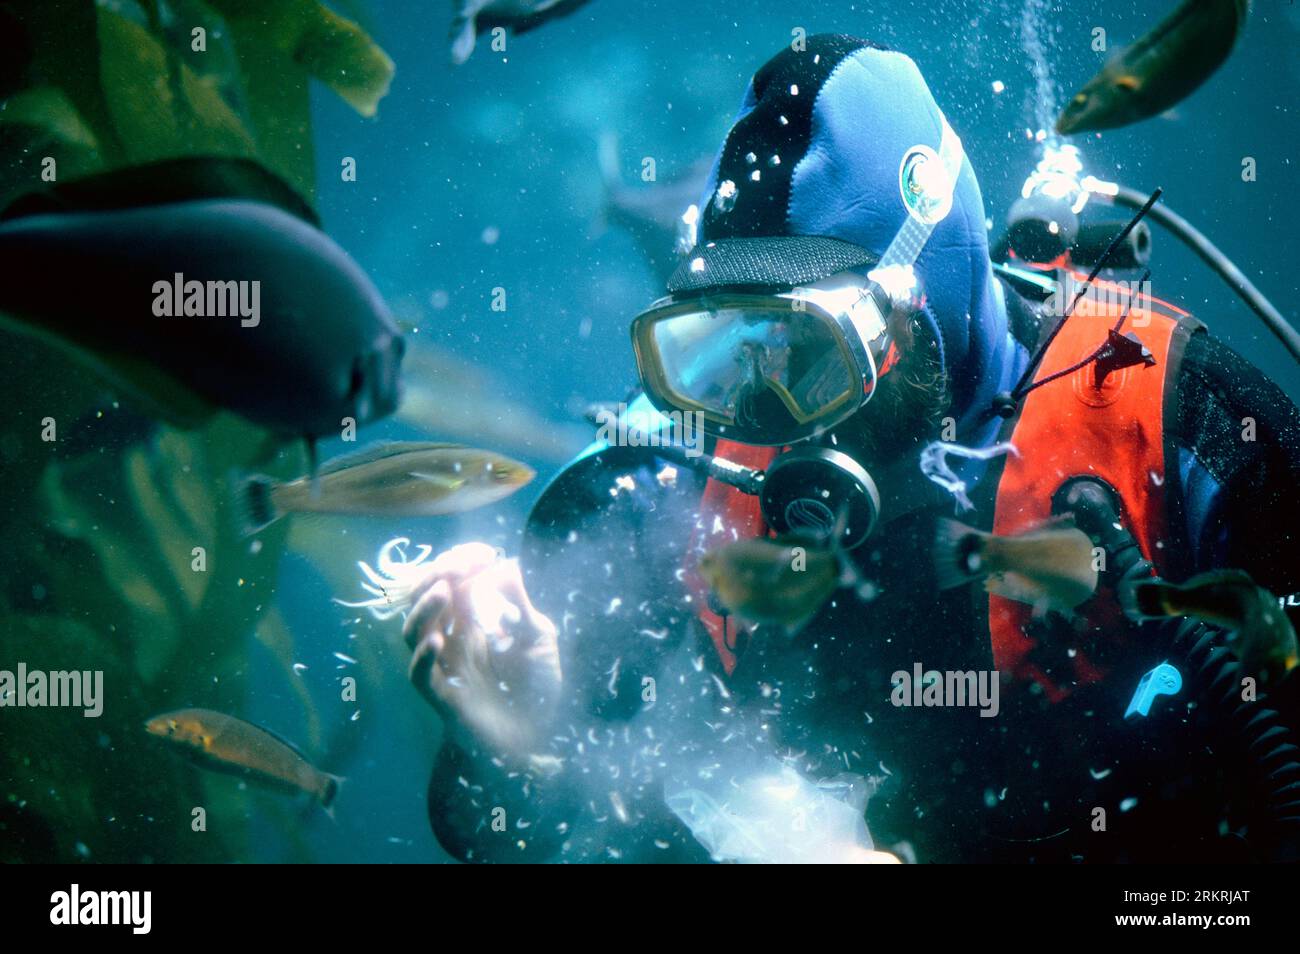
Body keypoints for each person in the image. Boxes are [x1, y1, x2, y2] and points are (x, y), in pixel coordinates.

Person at [394, 35, 1300, 863]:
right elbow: (498, 825)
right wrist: (518, 720)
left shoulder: (1189, 428)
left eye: (812, 351)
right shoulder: (694, 478)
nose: (773, 411)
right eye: (738, 342)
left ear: (920, 297)